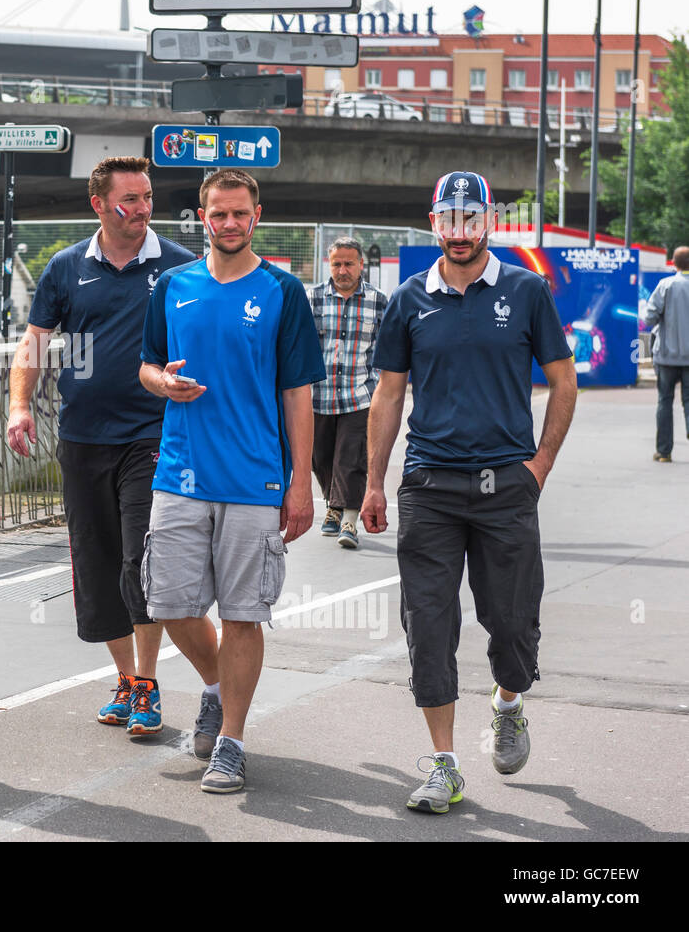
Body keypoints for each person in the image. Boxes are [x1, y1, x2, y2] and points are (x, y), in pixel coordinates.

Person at [361, 170, 577, 814]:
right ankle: (445, 763)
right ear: (434, 222)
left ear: (490, 221)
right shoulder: (406, 299)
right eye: (449, 220)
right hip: (428, 485)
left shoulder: (526, 290)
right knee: (428, 624)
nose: (460, 233)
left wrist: (538, 466)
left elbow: (563, 383)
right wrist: (373, 481)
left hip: (506, 487)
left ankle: (509, 700)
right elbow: (389, 394)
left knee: (511, 624)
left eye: (472, 219)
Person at [138, 169, 325, 793]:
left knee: (244, 615)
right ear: (201, 217)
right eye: (218, 214)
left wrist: (302, 483)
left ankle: (232, 740)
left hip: (253, 480)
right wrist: (163, 383)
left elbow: (298, 394)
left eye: (240, 214)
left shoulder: (282, 290)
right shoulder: (173, 285)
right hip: (180, 474)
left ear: (256, 216)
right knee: (168, 603)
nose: (229, 224)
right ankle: (216, 688)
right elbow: (147, 365)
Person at [7, 156, 194, 737]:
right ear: (99, 205)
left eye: (146, 198)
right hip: (82, 437)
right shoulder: (66, 269)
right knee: (97, 565)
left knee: (140, 562)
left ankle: (147, 683)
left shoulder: (180, 267)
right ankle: (129, 678)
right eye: (128, 200)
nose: (141, 209)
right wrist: (18, 406)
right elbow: (34, 344)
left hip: (153, 435)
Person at [308, 236, 389, 549]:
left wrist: (380, 384)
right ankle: (333, 504)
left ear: (360, 265)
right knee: (320, 457)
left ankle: (349, 521)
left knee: (351, 457)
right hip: (320, 395)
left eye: (348, 263)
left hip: (360, 393)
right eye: (336, 264)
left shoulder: (379, 300)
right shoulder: (312, 297)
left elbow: (385, 347)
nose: (342, 270)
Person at [645, 246, 689, 461]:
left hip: (667, 356)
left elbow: (649, 318)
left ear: (674, 263)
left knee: (665, 401)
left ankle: (664, 451)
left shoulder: (666, 285)